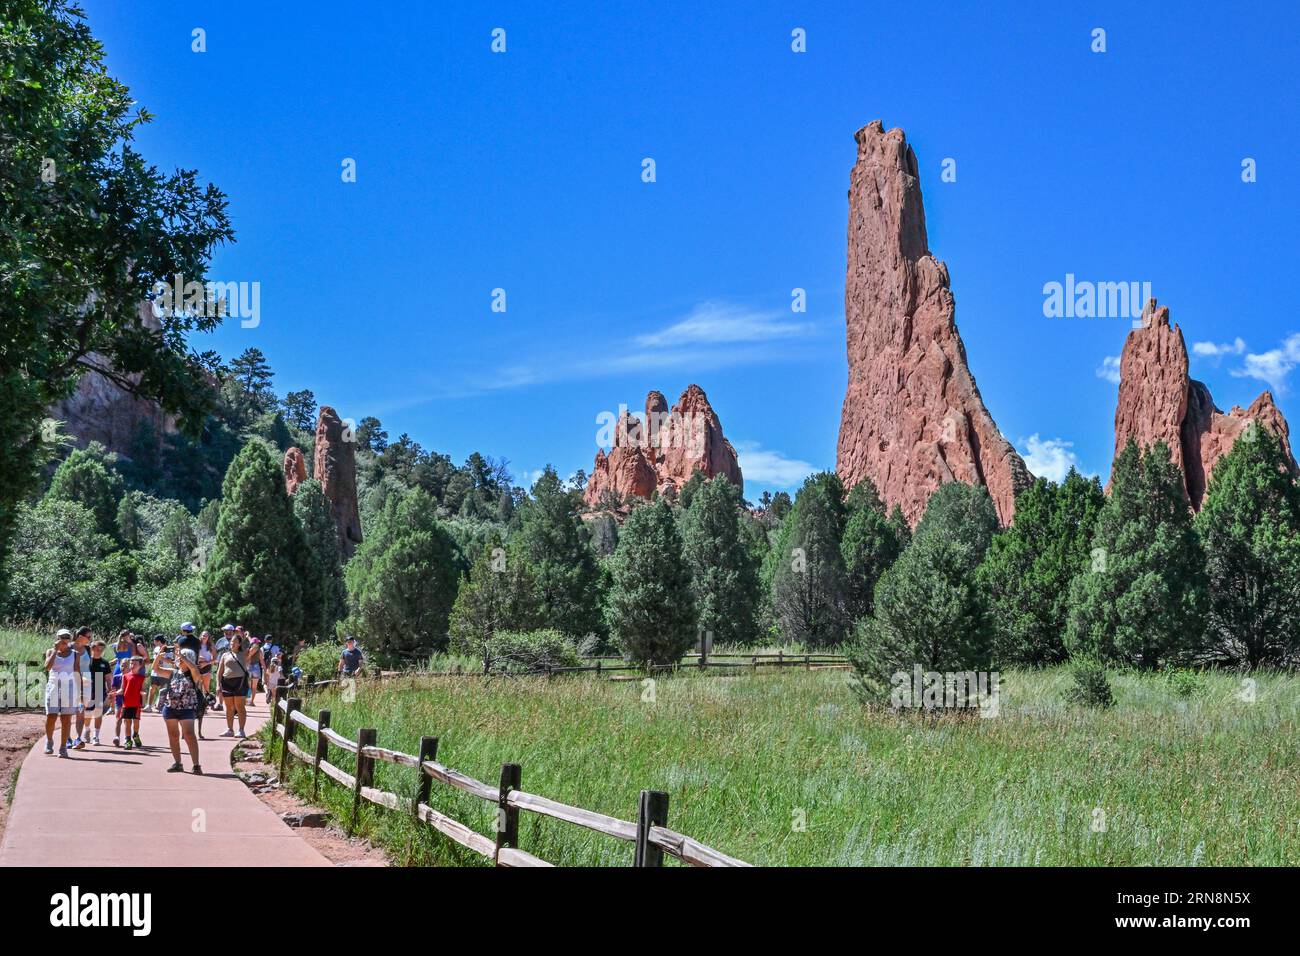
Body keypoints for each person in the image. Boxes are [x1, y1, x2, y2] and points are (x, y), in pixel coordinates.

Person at [154, 637, 203, 774]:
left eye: (183, 658)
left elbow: (194, 669)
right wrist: (159, 656)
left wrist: (182, 656)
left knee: (189, 734)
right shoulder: (173, 672)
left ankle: (196, 764)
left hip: (187, 708)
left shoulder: (194, 673)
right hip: (170, 707)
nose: (180, 660)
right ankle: (178, 763)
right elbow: (156, 669)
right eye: (180, 658)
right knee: (173, 735)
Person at [42, 629, 80, 757]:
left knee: (66, 719)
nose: (64, 640)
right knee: (51, 716)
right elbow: (47, 667)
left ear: (70, 640)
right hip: (53, 686)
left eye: (67, 637)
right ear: (57, 638)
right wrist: (55, 652)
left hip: (69, 687)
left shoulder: (75, 654)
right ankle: (49, 740)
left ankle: (63, 747)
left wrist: (79, 693)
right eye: (61, 637)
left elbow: (76, 672)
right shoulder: (50, 651)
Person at [216, 633, 251, 738]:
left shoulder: (244, 654)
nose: (232, 643)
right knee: (229, 707)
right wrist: (218, 685)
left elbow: (255, 645)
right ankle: (230, 729)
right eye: (231, 641)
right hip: (226, 682)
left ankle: (241, 730)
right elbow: (219, 671)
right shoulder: (225, 655)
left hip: (240, 682)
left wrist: (248, 636)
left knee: (240, 707)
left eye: (235, 642)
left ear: (240, 643)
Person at [86, 640, 112, 746]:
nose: (99, 652)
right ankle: (86, 730)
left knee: (98, 712)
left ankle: (96, 736)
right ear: (92, 649)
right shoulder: (86, 661)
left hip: (100, 686)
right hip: (87, 688)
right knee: (87, 713)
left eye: (101, 650)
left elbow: (108, 678)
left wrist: (110, 689)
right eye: (97, 649)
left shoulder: (105, 663)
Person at [71, 626, 92, 748]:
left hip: (86, 683)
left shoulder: (88, 649)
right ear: (80, 636)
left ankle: (77, 738)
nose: (90, 639)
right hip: (71, 682)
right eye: (88, 637)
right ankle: (67, 739)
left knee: (80, 711)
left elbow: (89, 666)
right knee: (67, 712)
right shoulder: (69, 648)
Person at [119, 657, 145, 750]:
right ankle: (128, 740)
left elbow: (142, 689)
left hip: (136, 704)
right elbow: (122, 689)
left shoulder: (142, 677)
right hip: (126, 703)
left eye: (135, 664)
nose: (132, 665)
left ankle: (135, 735)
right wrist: (115, 693)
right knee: (127, 722)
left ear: (140, 666)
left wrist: (143, 693)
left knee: (136, 722)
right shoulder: (125, 676)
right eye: (131, 663)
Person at [144, 635, 169, 713]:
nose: (153, 642)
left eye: (154, 641)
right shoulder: (156, 648)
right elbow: (155, 659)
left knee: (163, 690)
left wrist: (160, 656)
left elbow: (169, 660)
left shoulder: (169, 649)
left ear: (158, 641)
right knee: (152, 689)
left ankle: (160, 706)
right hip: (155, 672)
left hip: (164, 672)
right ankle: (149, 706)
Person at [247, 637, 264, 702]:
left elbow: (247, 658)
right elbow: (262, 660)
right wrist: (264, 669)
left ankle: (247, 700)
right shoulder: (259, 650)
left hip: (249, 667)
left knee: (248, 686)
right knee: (254, 687)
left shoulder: (249, 650)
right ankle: (251, 701)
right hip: (256, 667)